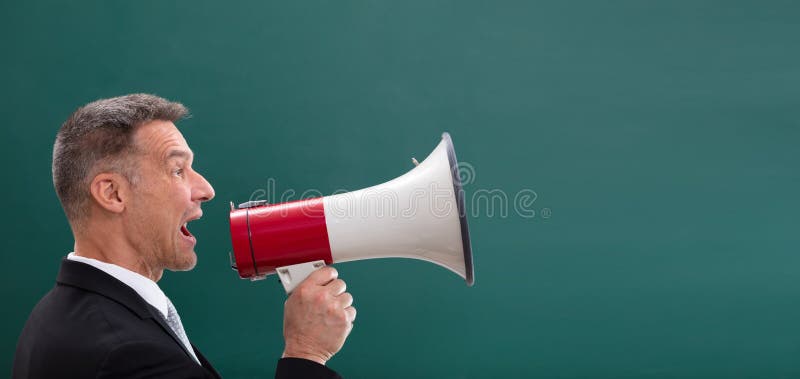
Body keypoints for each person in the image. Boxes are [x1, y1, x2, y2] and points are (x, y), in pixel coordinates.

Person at [12, 94, 356, 378]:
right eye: (177, 169)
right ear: (113, 194)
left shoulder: (53, 316)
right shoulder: (130, 354)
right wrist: (306, 354)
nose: (206, 189)